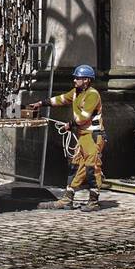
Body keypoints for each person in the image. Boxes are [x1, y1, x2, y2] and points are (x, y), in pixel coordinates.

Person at [29, 64, 105, 211]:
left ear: (87, 80)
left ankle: (93, 201)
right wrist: (41, 103)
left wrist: (69, 125)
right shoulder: (76, 92)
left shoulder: (93, 95)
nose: (75, 80)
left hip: (93, 137)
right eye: (75, 77)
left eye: (78, 78)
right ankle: (67, 199)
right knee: (76, 168)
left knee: (92, 168)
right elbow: (61, 99)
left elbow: (84, 118)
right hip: (83, 136)